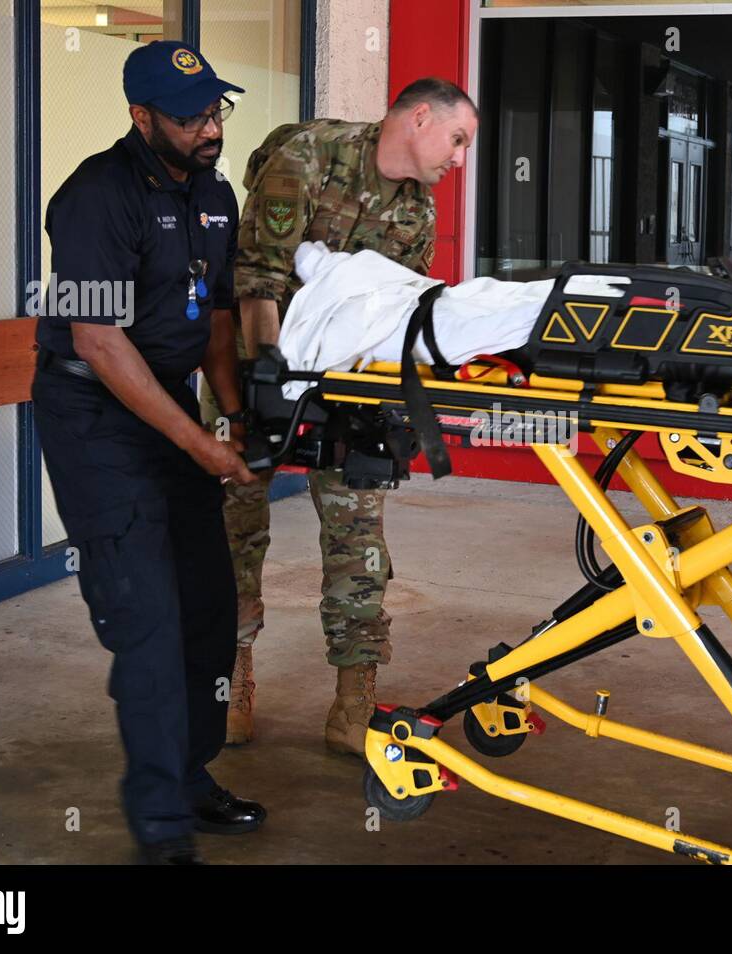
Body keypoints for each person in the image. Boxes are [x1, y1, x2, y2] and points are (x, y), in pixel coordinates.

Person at [32, 40, 265, 864]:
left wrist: (232, 414)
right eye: (191, 116)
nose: (211, 128)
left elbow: (218, 317)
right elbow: (97, 340)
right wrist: (200, 441)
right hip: (95, 414)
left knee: (209, 608)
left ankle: (189, 776)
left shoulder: (213, 193)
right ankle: (163, 836)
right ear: (141, 117)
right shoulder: (96, 196)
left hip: (169, 401)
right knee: (149, 620)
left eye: (216, 111)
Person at [202, 78, 477, 754]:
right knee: (233, 528)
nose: (459, 159)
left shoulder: (417, 212)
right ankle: (229, 680)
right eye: (458, 139)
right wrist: (269, 383)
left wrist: (397, 404)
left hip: (345, 384)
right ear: (419, 119)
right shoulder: (308, 157)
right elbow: (257, 276)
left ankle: (352, 701)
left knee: (358, 538)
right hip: (253, 373)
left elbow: (393, 309)